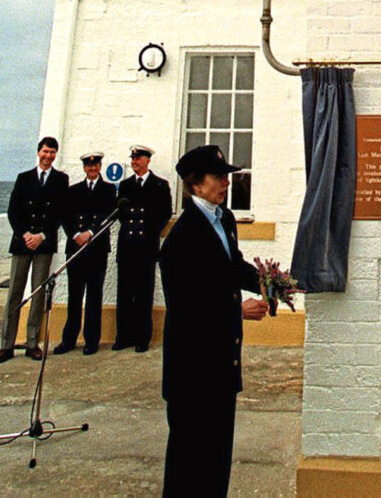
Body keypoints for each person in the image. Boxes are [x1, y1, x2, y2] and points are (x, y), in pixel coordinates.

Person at [159, 144, 269, 498]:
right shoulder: (181, 238)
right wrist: (237, 310)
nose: (226, 182)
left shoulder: (226, 218)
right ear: (195, 183)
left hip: (222, 362)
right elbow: (186, 305)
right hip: (192, 369)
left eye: (227, 176)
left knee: (218, 457)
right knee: (189, 462)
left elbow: (231, 266)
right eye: (218, 177)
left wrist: (269, 281)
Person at [0, 136, 69, 364]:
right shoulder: (23, 178)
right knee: (15, 291)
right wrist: (26, 235)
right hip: (22, 242)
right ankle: (6, 345)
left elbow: (59, 212)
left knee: (38, 292)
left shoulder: (60, 179)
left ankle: (32, 343)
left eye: (52, 152)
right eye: (45, 151)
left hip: (43, 243)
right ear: (38, 152)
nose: (48, 156)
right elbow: (14, 211)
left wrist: (41, 236)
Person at [54, 151, 117, 355]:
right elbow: (65, 216)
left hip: (97, 249)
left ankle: (91, 340)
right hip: (76, 249)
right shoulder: (74, 190)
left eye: (95, 165)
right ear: (84, 168)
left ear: (100, 166)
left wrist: (90, 233)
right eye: (88, 166)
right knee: (74, 296)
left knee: (94, 296)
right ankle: (69, 339)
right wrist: (75, 235)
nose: (92, 168)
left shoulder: (108, 190)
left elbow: (109, 215)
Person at [112, 145, 172, 353]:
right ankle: (123, 336)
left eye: (138, 158)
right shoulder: (125, 185)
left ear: (148, 160)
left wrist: (148, 231)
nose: (134, 162)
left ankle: (142, 337)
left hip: (146, 246)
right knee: (124, 293)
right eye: (133, 158)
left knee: (144, 293)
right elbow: (120, 212)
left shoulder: (160, 185)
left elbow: (164, 213)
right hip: (127, 245)